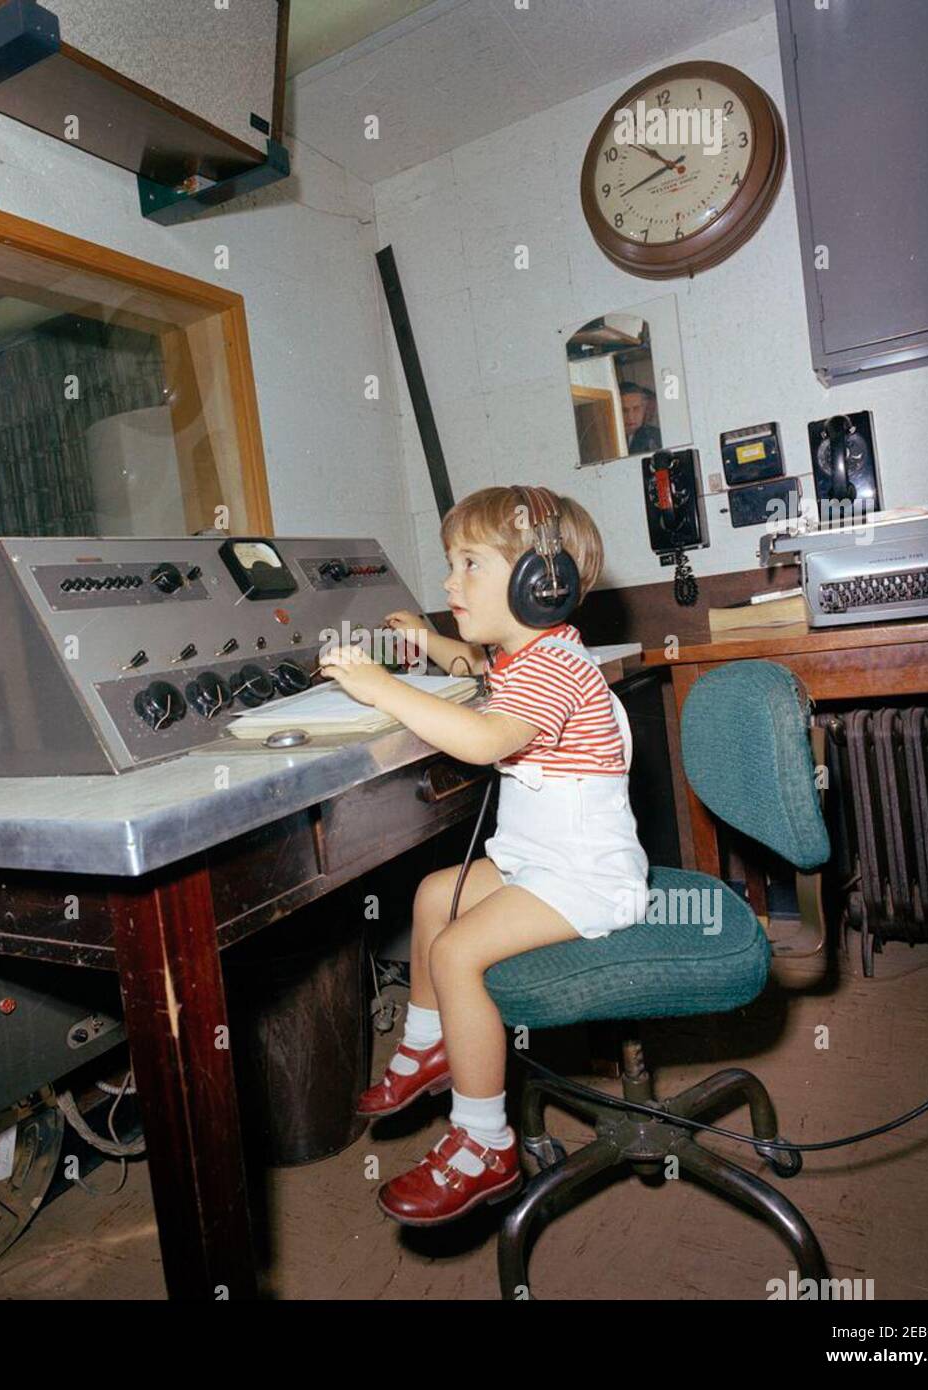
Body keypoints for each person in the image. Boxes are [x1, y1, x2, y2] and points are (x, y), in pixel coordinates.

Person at [319, 485, 649, 1225]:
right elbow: (475, 670)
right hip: (542, 864)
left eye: (467, 564)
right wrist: (430, 644)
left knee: (459, 952)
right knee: (438, 893)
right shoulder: (532, 653)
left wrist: (381, 689)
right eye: (448, 564)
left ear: (542, 581)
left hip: (588, 880)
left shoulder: (552, 669)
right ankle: (429, 1048)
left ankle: (482, 1141)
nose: (447, 581)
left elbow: (481, 738)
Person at [618, 381, 661, 455]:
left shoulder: (657, 437)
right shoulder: (604, 438)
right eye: (624, 410)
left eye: (636, 408)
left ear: (644, 408)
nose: (630, 417)